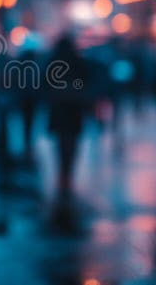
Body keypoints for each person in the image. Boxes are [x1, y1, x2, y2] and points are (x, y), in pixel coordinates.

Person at [46, 36, 89, 194]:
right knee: (72, 141)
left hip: (59, 108)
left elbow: (44, 84)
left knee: (61, 141)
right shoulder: (78, 61)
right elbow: (85, 82)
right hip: (73, 108)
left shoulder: (53, 62)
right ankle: (68, 172)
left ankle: (63, 172)